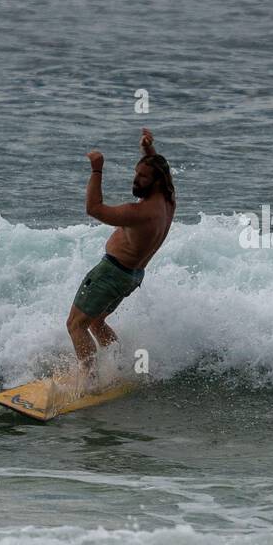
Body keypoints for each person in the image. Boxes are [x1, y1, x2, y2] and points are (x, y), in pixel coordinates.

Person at [65, 128, 175, 382]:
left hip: (111, 273)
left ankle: (90, 380)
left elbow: (93, 208)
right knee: (96, 322)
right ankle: (117, 366)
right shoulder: (169, 201)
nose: (136, 180)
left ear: (156, 181)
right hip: (131, 276)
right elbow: (164, 171)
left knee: (76, 325)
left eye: (143, 177)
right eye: (136, 173)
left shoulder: (140, 213)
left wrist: (96, 169)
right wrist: (148, 148)